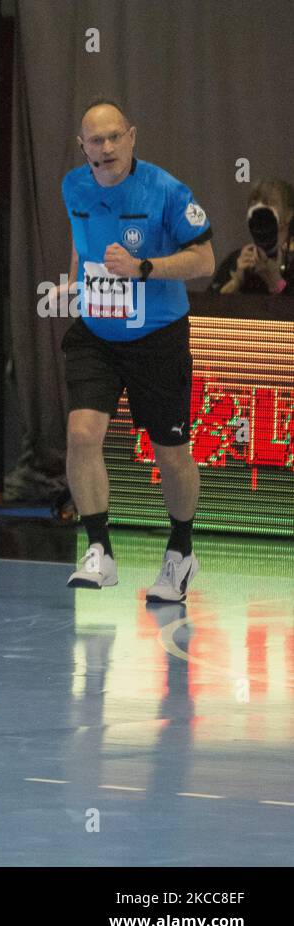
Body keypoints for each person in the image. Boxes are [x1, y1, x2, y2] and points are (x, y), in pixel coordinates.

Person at [58, 99, 215, 600]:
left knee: (171, 454)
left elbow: (206, 259)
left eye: (113, 138)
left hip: (157, 338)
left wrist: (144, 267)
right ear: (82, 146)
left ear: (131, 137)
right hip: (98, 334)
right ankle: (100, 549)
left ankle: (181, 550)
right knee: (82, 433)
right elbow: (81, 242)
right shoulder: (73, 185)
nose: (104, 149)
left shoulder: (167, 191)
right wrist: (71, 281)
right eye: (94, 140)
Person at [210, 178, 294, 296]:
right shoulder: (236, 260)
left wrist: (276, 282)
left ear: (288, 215)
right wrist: (236, 281)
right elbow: (208, 310)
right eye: (254, 203)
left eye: (269, 203)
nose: (259, 209)